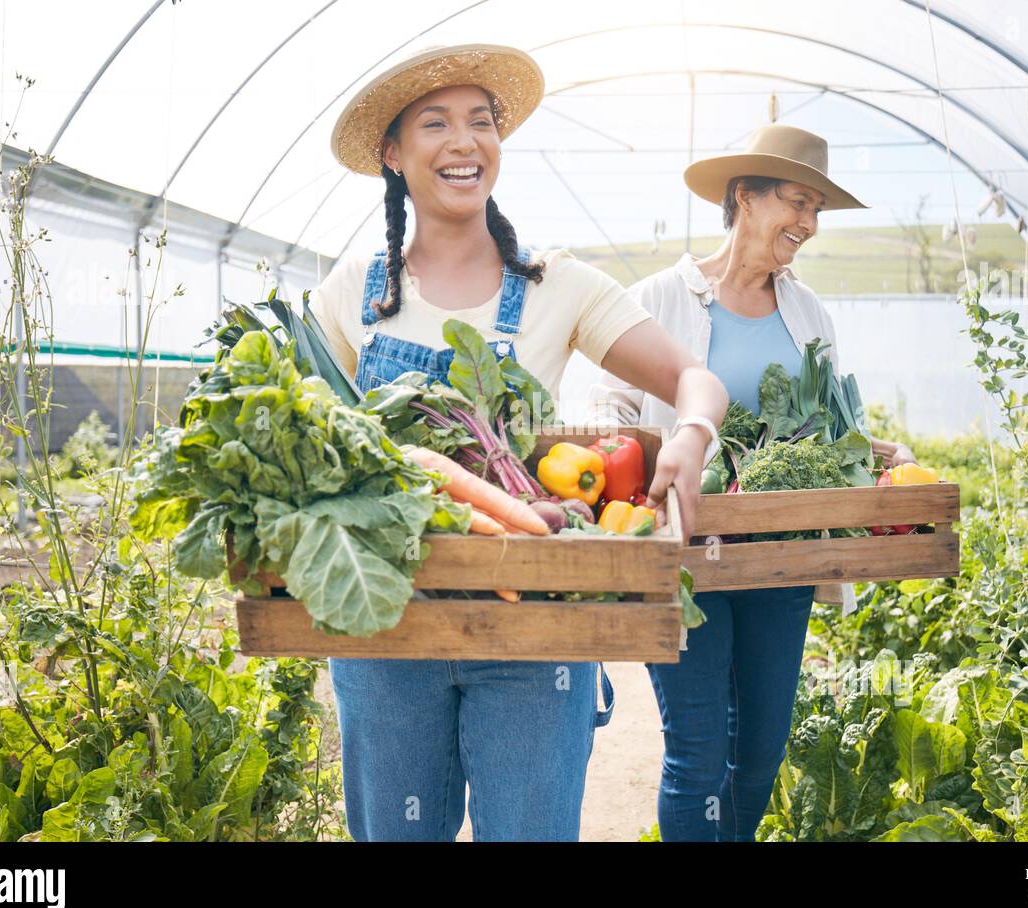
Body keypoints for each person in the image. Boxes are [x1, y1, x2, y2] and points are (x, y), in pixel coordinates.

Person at [308, 44, 728, 842]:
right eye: (436, 123)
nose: (465, 142)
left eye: (482, 121)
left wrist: (694, 432)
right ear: (393, 155)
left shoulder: (556, 283)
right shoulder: (352, 292)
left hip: (536, 631)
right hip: (385, 631)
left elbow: (695, 379)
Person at [587, 124, 917, 841]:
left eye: (817, 210)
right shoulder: (659, 298)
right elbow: (606, 412)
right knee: (698, 754)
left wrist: (867, 451)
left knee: (761, 755)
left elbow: (829, 423)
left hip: (780, 560)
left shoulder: (808, 312)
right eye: (798, 202)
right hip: (684, 563)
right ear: (744, 196)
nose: (808, 223)